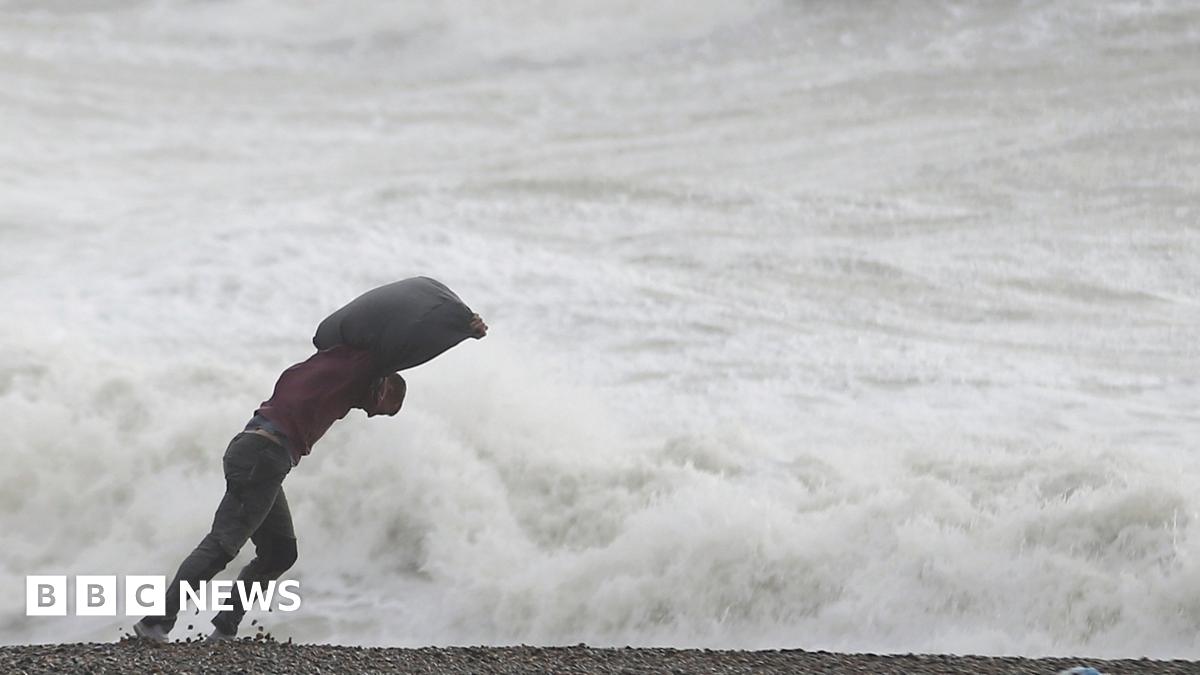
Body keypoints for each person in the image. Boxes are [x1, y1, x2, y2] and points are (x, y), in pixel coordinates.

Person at [133, 278, 487, 642]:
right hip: (264, 455)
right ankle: (155, 622)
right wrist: (463, 328)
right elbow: (410, 349)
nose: (371, 414)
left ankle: (224, 629)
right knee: (222, 544)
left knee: (279, 552)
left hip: (257, 452)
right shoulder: (365, 369)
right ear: (383, 384)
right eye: (384, 408)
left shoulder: (329, 361)